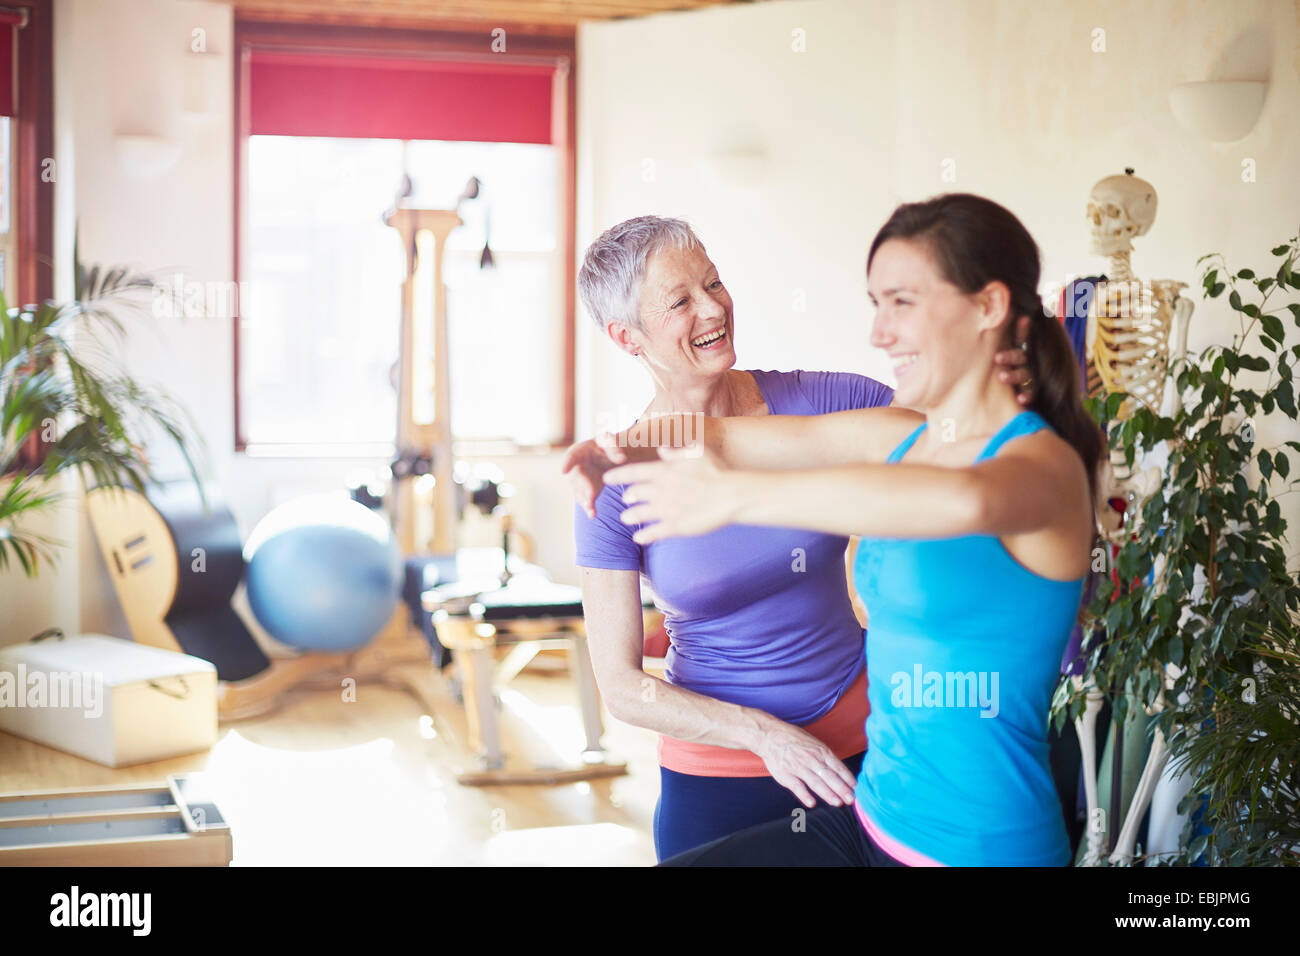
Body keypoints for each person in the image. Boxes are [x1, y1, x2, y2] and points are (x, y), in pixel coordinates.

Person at [593, 194, 1101, 866]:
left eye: (903, 303)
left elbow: (962, 502)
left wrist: (736, 498)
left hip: (978, 849)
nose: (880, 333)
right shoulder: (901, 434)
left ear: (987, 308)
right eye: (876, 305)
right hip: (875, 823)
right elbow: (730, 435)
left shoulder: (1042, 467)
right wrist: (614, 451)